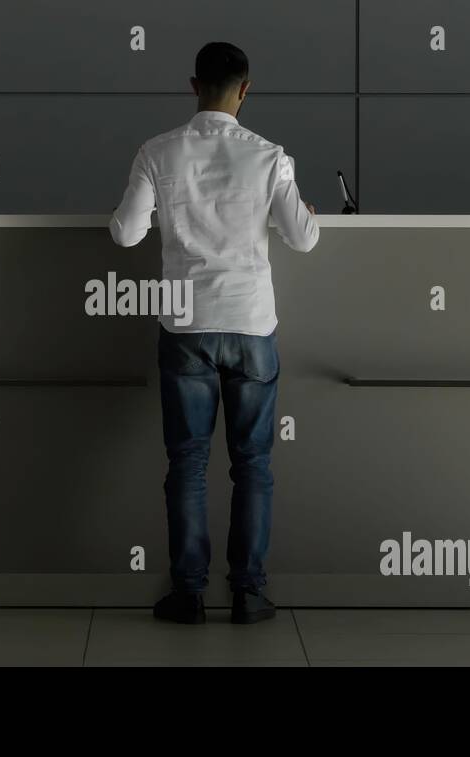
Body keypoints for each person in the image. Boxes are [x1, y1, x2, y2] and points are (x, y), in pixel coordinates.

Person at [108, 41, 319, 624]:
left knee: (188, 464)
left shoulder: (157, 151)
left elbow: (125, 234)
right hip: (251, 326)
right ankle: (248, 593)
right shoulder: (270, 156)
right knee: (252, 465)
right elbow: (304, 239)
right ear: (245, 90)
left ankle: (189, 594)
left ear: (193, 85)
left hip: (186, 326)